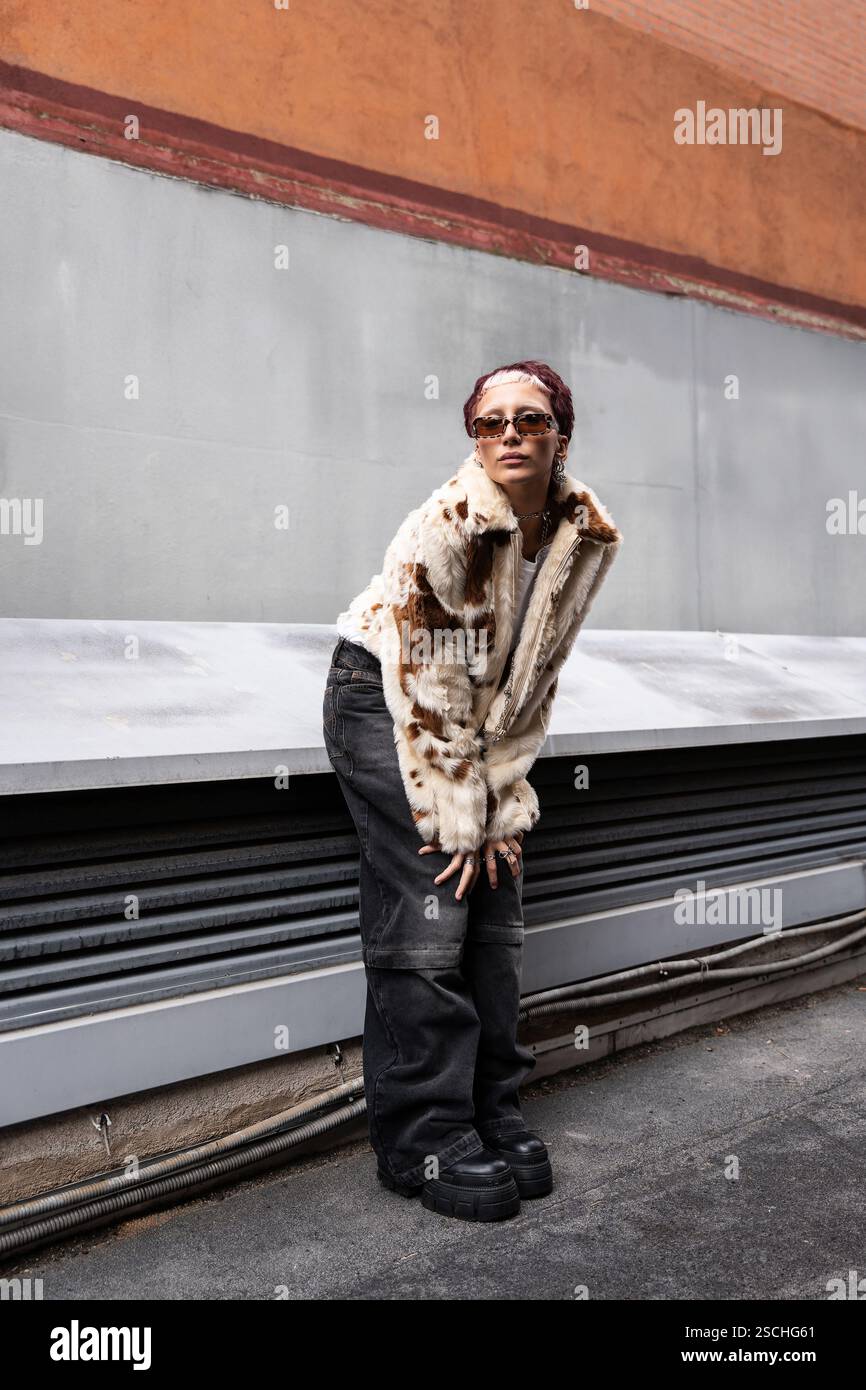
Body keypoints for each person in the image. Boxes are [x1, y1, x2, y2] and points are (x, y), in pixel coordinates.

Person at [322, 360, 622, 1222]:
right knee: (433, 899)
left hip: (472, 719)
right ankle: (422, 1139)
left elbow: (529, 685)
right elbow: (430, 687)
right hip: (384, 699)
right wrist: (463, 812)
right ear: (474, 439)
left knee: (497, 898)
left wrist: (502, 805)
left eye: (530, 420)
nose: (510, 437)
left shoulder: (581, 533)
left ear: (561, 434)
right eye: (491, 424)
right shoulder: (447, 526)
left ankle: (490, 1109)